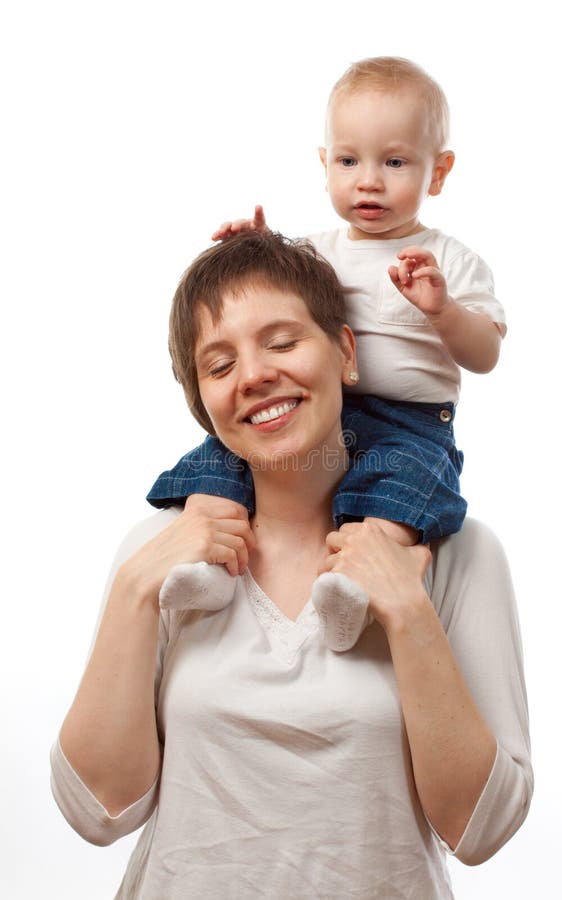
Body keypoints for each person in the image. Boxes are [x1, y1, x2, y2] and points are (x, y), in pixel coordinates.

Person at [51, 232, 532, 898]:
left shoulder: (459, 555)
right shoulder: (159, 549)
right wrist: (136, 587)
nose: (252, 376)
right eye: (219, 366)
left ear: (346, 352)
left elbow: (481, 831)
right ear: (204, 403)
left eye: (281, 343)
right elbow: (98, 810)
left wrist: (408, 615)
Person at [147, 57, 506, 651]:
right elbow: (274, 294)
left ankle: (352, 592)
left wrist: (443, 310)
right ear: (324, 164)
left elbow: (486, 353)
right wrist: (254, 249)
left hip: (411, 426)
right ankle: (204, 567)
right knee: (218, 460)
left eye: (394, 162)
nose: (368, 180)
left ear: (437, 172)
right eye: (348, 161)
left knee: (394, 503)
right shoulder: (318, 250)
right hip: (327, 411)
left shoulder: (450, 259)